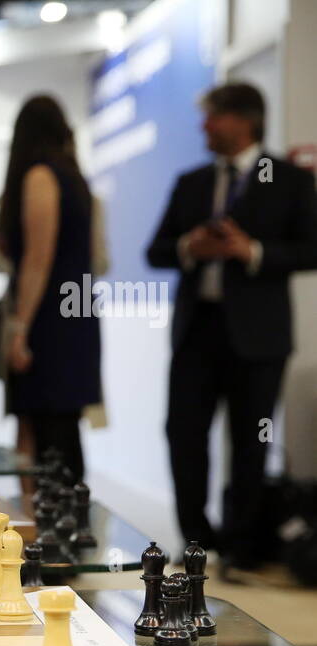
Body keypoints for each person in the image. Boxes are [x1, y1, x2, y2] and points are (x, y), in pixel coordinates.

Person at [147, 83, 317, 571]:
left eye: (213, 117)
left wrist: (254, 252)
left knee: (252, 439)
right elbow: (156, 250)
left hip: (259, 338)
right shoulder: (192, 182)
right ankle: (197, 541)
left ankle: (242, 547)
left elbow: (311, 249)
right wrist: (188, 247)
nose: (204, 126)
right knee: (184, 435)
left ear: (246, 120)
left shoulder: (287, 179)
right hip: (197, 332)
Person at [0, 95, 99, 483]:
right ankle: (64, 525)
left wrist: (20, 329)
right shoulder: (74, 177)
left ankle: (53, 529)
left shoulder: (40, 176)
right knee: (61, 431)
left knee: (49, 435)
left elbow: (39, 258)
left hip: (50, 323)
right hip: (74, 317)